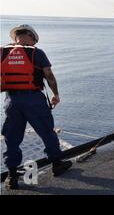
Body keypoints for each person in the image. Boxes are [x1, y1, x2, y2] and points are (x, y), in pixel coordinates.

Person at [1, 25, 72, 190]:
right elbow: (49, 75)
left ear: (15, 37)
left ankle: (12, 177)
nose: (34, 42)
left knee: (12, 138)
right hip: (34, 99)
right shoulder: (36, 53)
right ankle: (57, 164)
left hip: (11, 101)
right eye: (34, 39)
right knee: (47, 132)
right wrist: (56, 94)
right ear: (30, 36)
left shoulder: (2, 52)